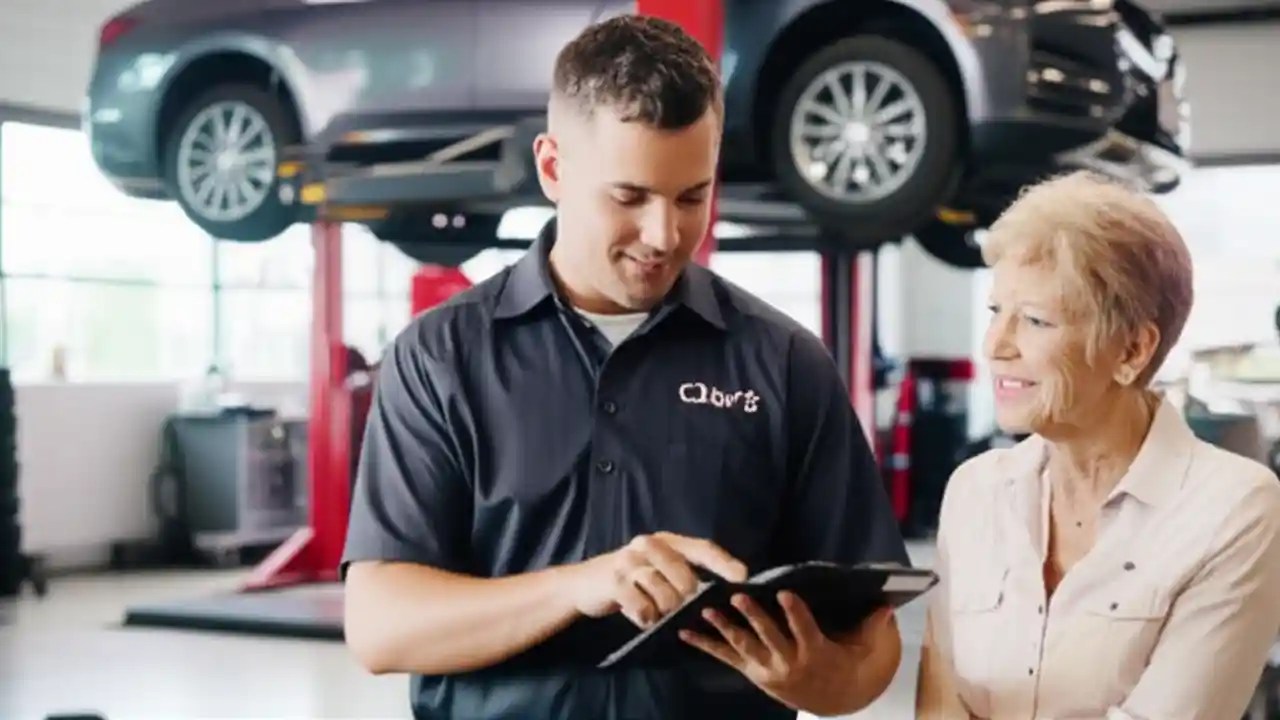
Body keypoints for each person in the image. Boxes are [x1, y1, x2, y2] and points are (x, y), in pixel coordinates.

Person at [340, 14, 910, 720]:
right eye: (629, 196)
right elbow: (381, 626)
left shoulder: (785, 364)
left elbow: (872, 644)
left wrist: (816, 681)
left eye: (692, 196)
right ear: (553, 168)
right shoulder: (440, 359)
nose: (664, 234)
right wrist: (580, 586)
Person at [915, 171, 1280, 719]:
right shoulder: (975, 491)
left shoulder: (1235, 509)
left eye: (1034, 320)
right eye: (996, 312)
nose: (996, 345)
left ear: (1132, 350)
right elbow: (941, 702)